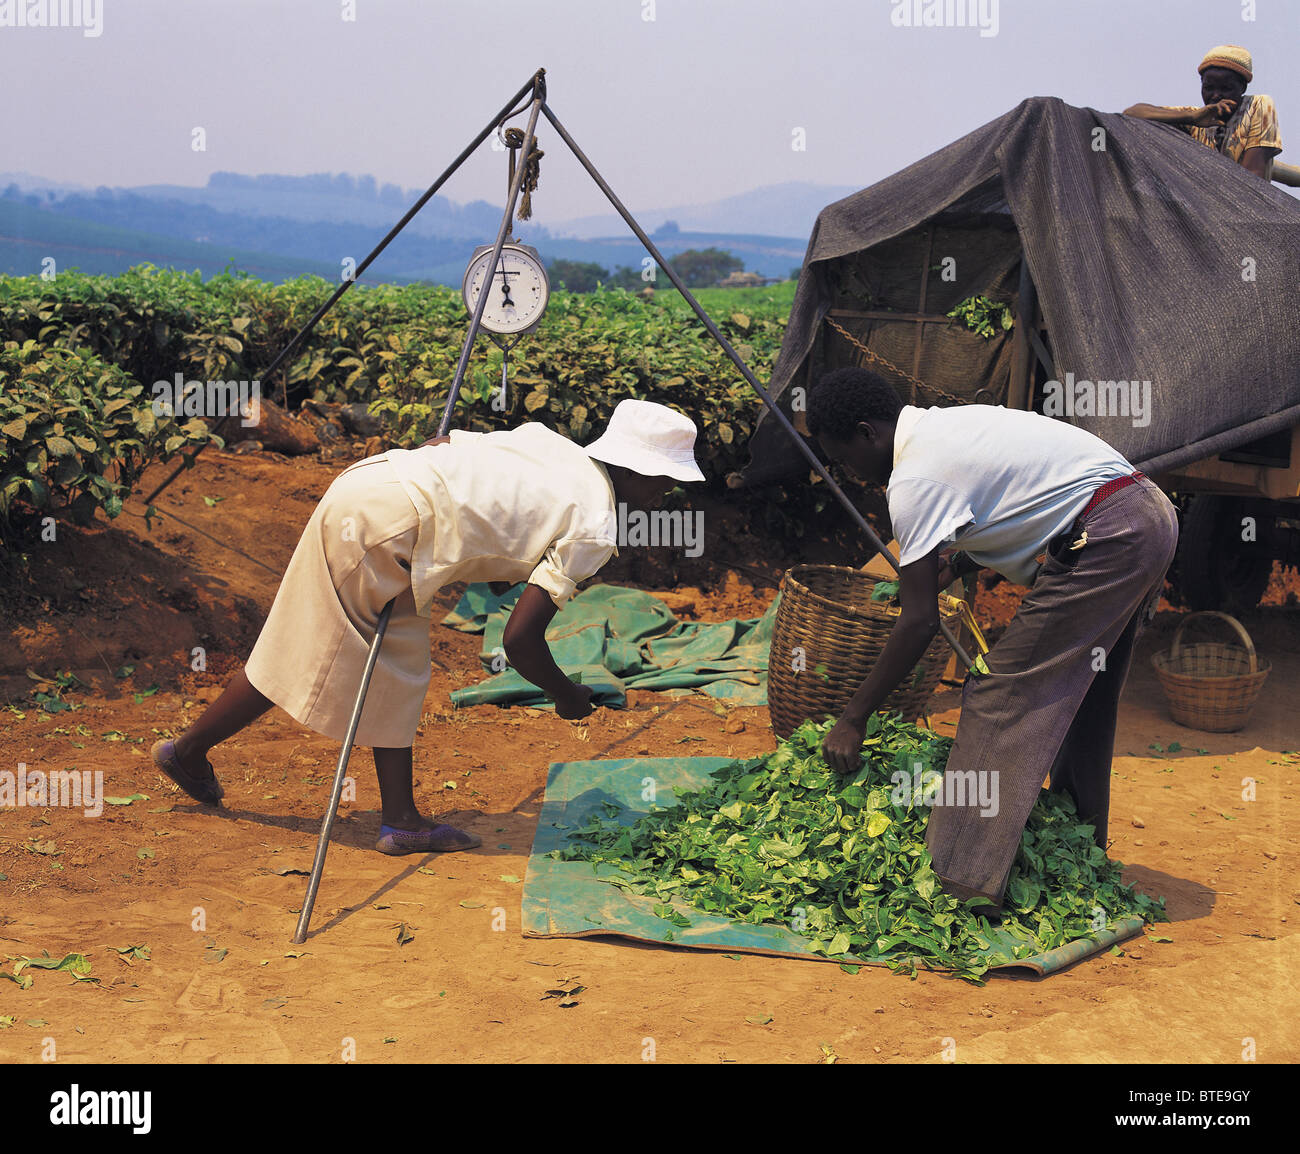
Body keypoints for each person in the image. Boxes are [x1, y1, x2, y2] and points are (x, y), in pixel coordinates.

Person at [150, 399, 705, 855]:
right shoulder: (595, 526)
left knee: (389, 659)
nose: (665, 494)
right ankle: (190, 750)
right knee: (306, 648)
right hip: (387, 525)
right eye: (663, 480)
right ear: (636, 469)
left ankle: (401, 821)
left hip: (381, 485)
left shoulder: (550, 443)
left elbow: (444, 445)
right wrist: (567, 694)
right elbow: (519, 641)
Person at [808, 368, 1178, 908]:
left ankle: (959, 885)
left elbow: (919, 622)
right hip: (1145, 514)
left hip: (1107, 536)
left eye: (842, 457)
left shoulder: (913, 481)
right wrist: (958, 562)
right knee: (1082, 695)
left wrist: (853, 718)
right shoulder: (944, 428)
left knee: (998, 694)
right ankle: (1080, 855)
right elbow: (1020, 502)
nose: (848, 471)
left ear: (867, 433)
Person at [1123, 44, 1282, 181]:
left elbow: (1253, 179)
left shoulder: (1258, 105)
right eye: (1209, 88)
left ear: (1243, 88)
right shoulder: (1198, 118)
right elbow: (1131, 113)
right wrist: (1192, 118)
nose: (1216, 95)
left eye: (1226, 88)